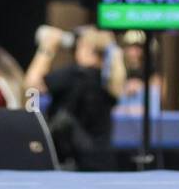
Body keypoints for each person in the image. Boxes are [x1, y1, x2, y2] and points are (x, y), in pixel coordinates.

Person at [26, 25, 123, 169]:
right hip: (102, 163)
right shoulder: (107, 79)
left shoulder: (75, 75)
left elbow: (31, 86)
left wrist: (47, 48)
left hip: (75, 165)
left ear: (87, 48)